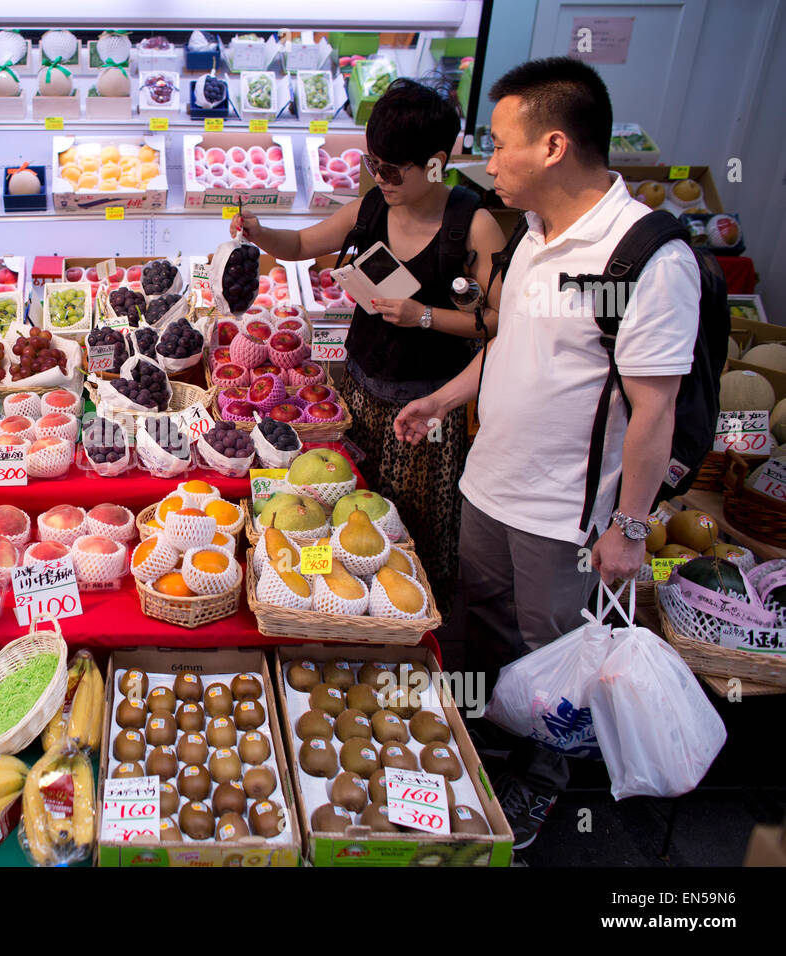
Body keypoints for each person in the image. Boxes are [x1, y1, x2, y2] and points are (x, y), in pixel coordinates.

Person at [394, 57, 701, 850]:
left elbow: (654, 405)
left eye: (499, 144)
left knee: (554, 660)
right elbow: (510, 351)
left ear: (555, 146)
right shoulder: (533, 238)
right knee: (486, 633)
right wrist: (443, 398)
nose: (486, 162)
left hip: (564, 516)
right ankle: (484, 752)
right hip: (490, 486)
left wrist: (629, 528)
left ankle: (544, 787)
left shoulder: (643, 259)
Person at [232, 79, 506, 616]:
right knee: (343, 518)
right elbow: (302, 244)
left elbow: (498, 323)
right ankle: (335, 612)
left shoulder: (474, 227)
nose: (380, 178)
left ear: (435, 163)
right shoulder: (371, 207)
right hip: (357, 394)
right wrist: (260, 231)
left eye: (393, 169)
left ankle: (408, 630)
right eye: (372, 162)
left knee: (407, 532)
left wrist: (423, 315)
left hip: (426, 408)